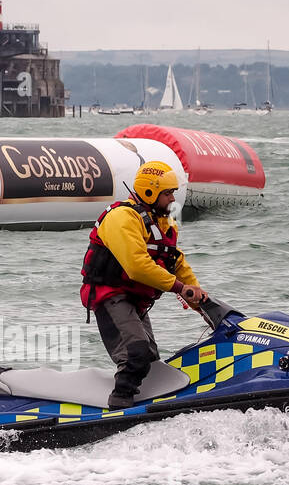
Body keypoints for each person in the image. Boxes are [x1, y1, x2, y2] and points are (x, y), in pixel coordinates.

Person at [80, 160, 208, 409]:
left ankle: (147, 406)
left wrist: (203, 305)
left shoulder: (162, 222)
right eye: (168, 193)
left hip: (134, 300)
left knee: (150, 360)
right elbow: (136, 266)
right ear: (150, 192)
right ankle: (119, 404)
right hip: (110, 296)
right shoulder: (122, 217)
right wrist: (180, 289)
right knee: (134, 354)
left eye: (173, 192)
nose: (172, 199)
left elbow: (175, 261)